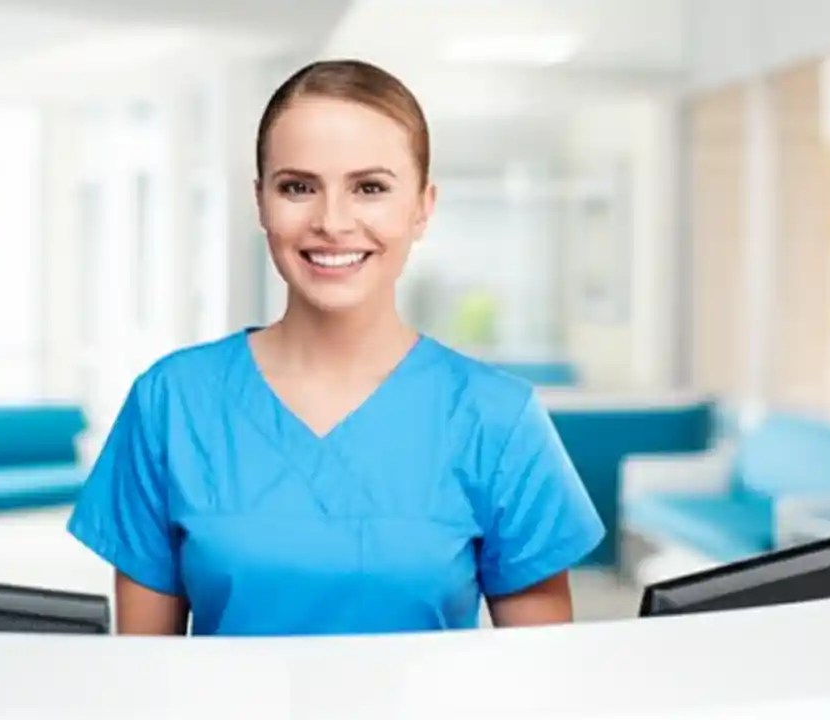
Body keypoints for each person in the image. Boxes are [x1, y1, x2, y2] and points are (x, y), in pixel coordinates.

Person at [67, 59, 605, 636]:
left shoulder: (497, 419)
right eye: (298, 187)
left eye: (370, 188)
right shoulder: (171, 403)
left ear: (422, 206)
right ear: (261, 203)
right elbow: (148, 681)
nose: (332, 221)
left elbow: (538, 684)